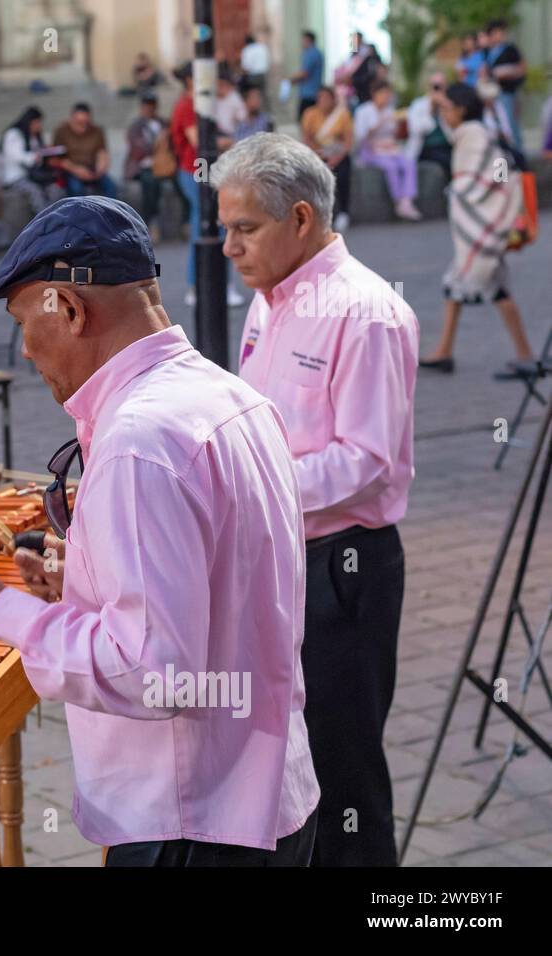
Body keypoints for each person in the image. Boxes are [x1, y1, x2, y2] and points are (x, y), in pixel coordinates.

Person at [0, 195, 320, 866]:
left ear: (70, 310)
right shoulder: (232, 397)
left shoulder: (140, 439)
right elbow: (216, 590)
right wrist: (81, 581)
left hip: (192, 819)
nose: (24, 350)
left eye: (26, 322)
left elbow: (154, 670)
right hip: (271, 794)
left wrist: (0, 609)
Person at [212, 132, 418, 866]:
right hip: (283, 559)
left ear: (301, 218)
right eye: (224, 227)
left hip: (344, 568)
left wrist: (246, 491)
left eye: (244, 229)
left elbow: (366, 458)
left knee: (345, 775)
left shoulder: (365, 311)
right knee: (288, 766)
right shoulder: (269, 298)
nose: (227, 247)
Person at [420, 84, 535, 377]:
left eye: (446, 108)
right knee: (468, 288)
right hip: (485, 228)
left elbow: (478, 182)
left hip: (483, 229)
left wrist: (457, 192)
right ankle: (447, 350)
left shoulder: (473, 135)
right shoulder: (473, 132)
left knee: (481, 288)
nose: (443, 114)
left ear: (461, 109)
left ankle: (525, 357)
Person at [170, 63, 245, 308]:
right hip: (195, 172)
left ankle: (217, 285)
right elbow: (198, 141)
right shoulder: (187, 106)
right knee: (207, 228)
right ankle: (203, 285)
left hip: (202, 171)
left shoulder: (200, 104)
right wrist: (225, 142)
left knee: (212, 228)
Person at [354, 80, 421, 220]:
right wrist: (379, 123)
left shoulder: (390, 111)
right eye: (382, 94)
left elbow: (395, 135)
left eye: (387, 94)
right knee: (391, 167)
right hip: (370, 150)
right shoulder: (363, 111)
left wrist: (400, 127)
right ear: (374, 94)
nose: (385, 97)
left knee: (408, 163)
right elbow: (360, 136)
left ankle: (406, 201)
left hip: (390, 149)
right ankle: (398, 200)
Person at [301, 86, 353, 232]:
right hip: (318, 154)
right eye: (320, 98)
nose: (323, 101)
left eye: (326, 98)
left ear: (333, 99)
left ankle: (343, 212)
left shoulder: (343, 115)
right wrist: (320, 154)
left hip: (338, 154)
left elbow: (348, 142)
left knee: (343, 174)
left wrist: (336, 157)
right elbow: (307, 138)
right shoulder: (310, 113)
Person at [0, 106, 63, 214]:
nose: (38, 126)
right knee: (35, 191)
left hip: (34, 176)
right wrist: (34, 156)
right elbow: (17, 155)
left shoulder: (34, 137)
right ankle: (43, 221)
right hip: (16, 178)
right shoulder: (13, 134)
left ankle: (54, 218)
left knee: (54, 189)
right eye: (36, 122)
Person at [51, 102, 117, 198]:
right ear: (71, 119)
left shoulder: (97, 131)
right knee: (76, 189)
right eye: (78, 123)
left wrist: (101, 167)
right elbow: (56, 158)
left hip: (93, 169)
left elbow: (102, 151)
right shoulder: (61, 131)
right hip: (72, 170)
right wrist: (76, 170)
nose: (82, 127)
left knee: (111, 187)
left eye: (85, 123)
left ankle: (109, 212)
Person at [123, 92, 167, 228]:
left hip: (164, 164)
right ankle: (149, 221)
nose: (149, 109)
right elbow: (139, 150)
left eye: (152, 106)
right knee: (150, 184)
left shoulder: (162, 123)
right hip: (142, 166)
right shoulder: (136, 126)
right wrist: (160, 144)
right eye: (146, 106)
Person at [483, 18, 526, 152]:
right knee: (495, 126)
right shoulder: (487, 52)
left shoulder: (510, 49)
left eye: (501, 33)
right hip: (491, 95)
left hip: (507, 92)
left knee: (510, 125)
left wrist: (505, 72)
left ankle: (518, 156)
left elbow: (522, 69)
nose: (499, 36)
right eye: (495, 33)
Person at [407, 73, 452, 177]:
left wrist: (446, 108)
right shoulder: (418, 105)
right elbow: (416, 130)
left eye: (440, 86)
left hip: (447, 146)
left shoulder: (449, 104)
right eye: (435, 86)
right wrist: (431, 112)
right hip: (425, 149)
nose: (437, 90)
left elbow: (454, 131)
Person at [291, 30, 324, 121]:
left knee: (306, 120)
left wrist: (290, 80)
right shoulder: (316, 53)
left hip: (309, 94)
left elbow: (304, 73)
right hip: (311, 92)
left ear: (307, 40)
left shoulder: (311, 54)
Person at [213, 66, 247, 147]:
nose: (220, 88)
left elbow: (242, 118)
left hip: (232, 135)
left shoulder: (234, 98)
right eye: (218, 85)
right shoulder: (212, 99)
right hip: (216, 135)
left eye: (223, 85)